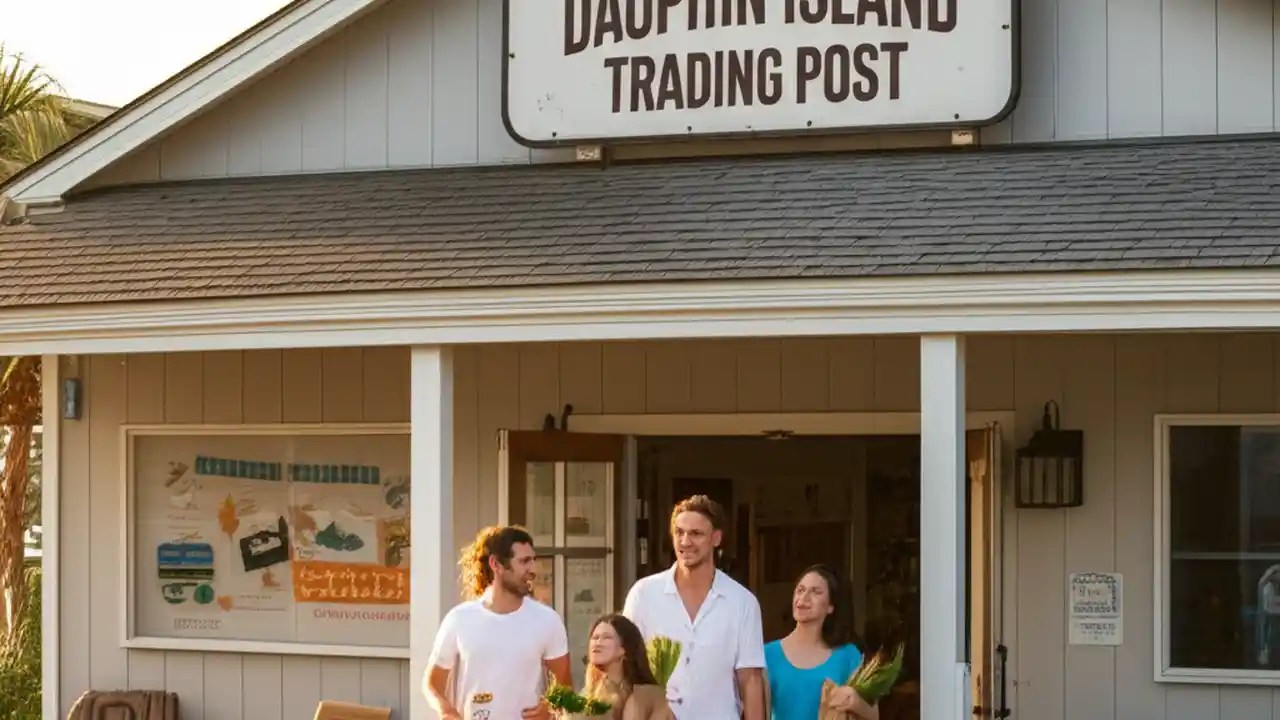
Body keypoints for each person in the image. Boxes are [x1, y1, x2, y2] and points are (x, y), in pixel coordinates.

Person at [622, 495, 766, 720]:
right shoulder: (643, 595)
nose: (685, 541)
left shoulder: (742, 602)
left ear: (716, 538)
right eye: (679, 532)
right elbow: (624, 671)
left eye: (696, 534)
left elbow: (751, 681)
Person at [425, 525, 572, 720]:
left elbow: (565, 683)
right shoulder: (459, 619)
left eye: (533, 560)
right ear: (496, 565)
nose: (533, 569)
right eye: (524, 561)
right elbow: (432, 684)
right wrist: (446, 711)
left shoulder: (547, 620)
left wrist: (550, 706)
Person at [764, 565, 879, 720]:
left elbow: (874, 715)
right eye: (800, 590)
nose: (803, 598)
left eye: (816, 592)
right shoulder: (767, 654)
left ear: (831, 606)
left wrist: (854, 701)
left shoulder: (848, 655)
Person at [580, 613, 675, 720]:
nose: (597, 643)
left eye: (606, 637)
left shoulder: (645, 696)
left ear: (624, 649)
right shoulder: (587, 695)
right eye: (595, 637)